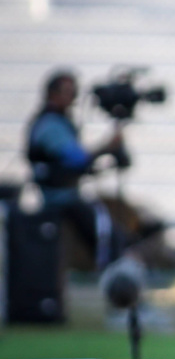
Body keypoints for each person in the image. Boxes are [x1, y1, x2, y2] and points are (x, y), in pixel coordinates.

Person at [26, 69, 125, 269]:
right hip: (58, 199)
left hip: (67, 196)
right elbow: (75, 159)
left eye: (73, 92)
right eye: (66, 92)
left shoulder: (58, 121)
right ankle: (113, 275)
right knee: (106, 235)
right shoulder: (50, 124)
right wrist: (107, 147)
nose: (72, 98)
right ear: (52, 94)